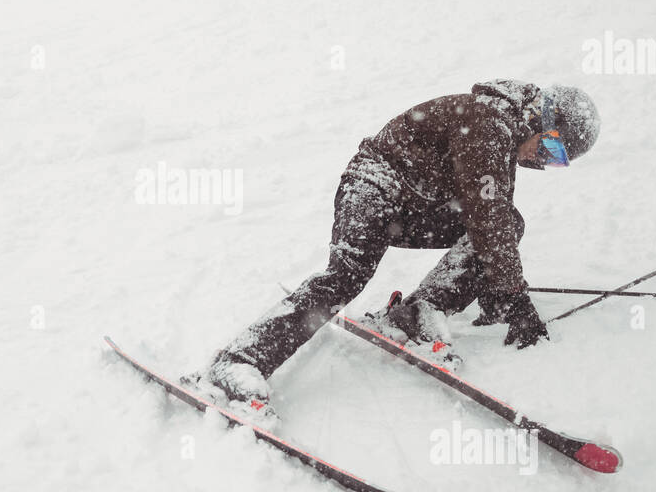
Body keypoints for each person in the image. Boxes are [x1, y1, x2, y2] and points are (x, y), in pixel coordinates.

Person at [202, 79, 600, 423]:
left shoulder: (504, 130)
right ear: (542, 120)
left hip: (415, 204)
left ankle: (419, 310)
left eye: (558, 161)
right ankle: (239, 361)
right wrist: (513, 295)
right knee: (347, 275)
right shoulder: (488, 122)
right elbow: (486, 213)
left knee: (507, 225)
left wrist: (500, 290)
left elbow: (491, 218)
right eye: (553, 150)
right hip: (374, 186)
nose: (545, 161)